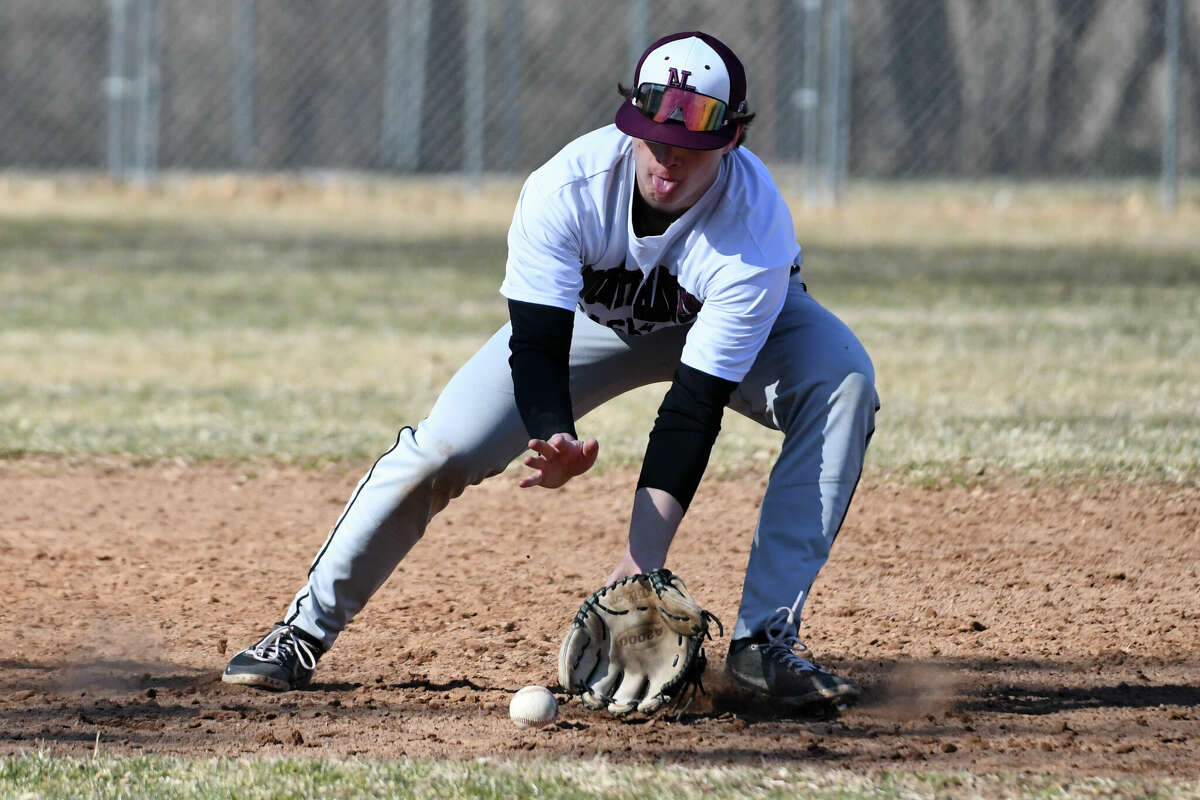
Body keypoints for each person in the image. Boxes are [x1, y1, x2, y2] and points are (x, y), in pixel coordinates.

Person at [222, 30, 878, 713]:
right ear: (632, 125)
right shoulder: (567, 188)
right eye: (656, 139)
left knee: (843, 384)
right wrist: (551, 432)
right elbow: (535, 344)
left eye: (692, 148)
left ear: (732, 141)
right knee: (442, 449)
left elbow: (694, 405)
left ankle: (763, 645)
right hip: (591, 326)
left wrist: (641, 562)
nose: (669, 159)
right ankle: (301, 632)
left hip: (743, 328)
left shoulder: (753, 228)